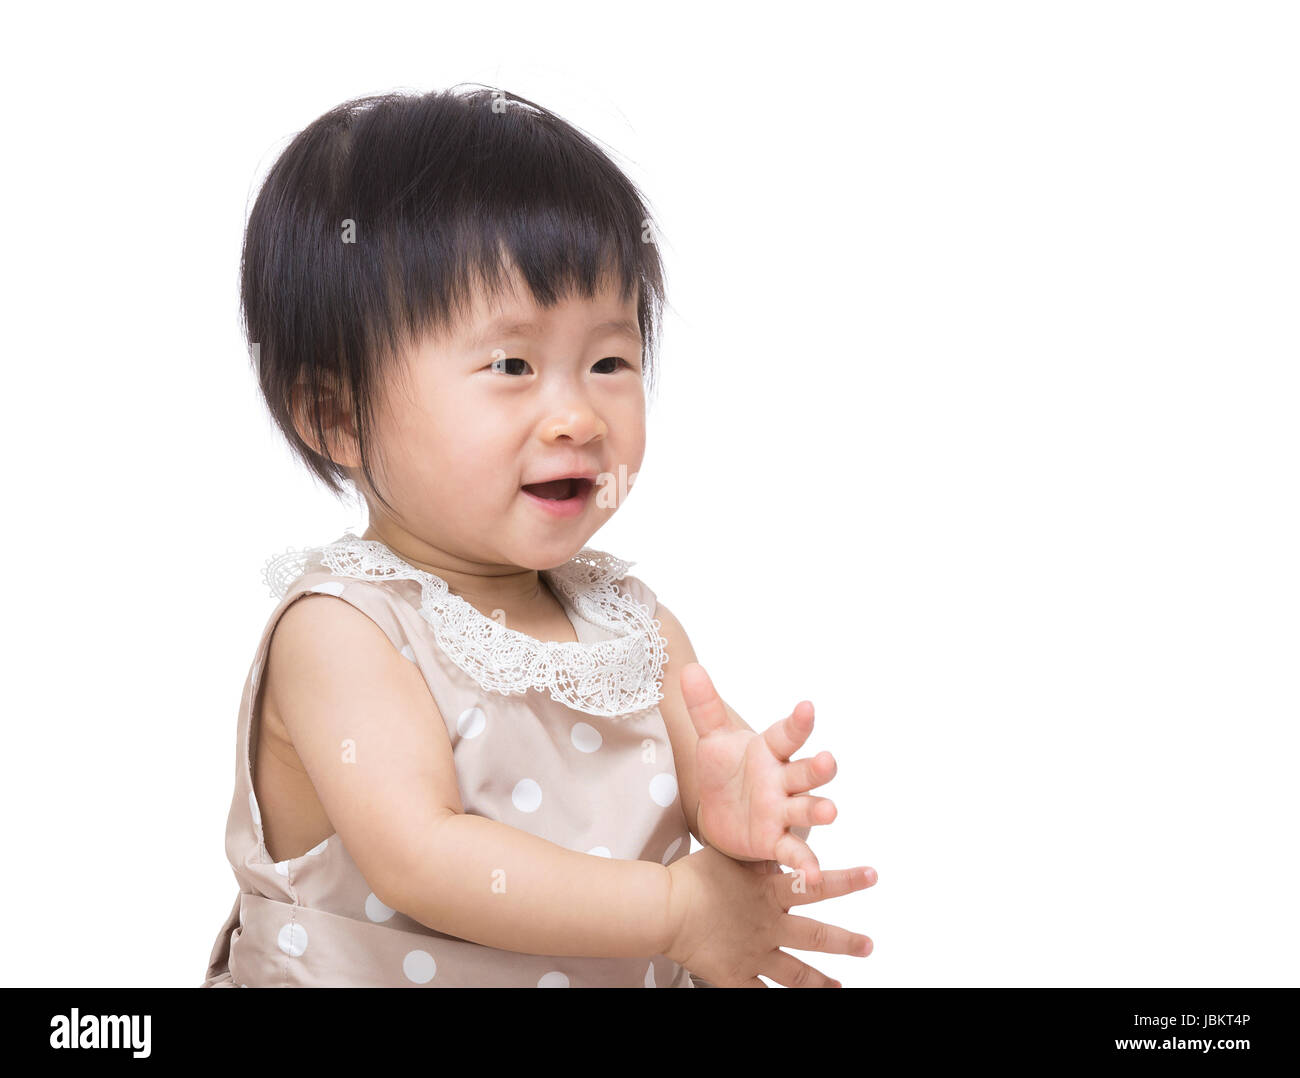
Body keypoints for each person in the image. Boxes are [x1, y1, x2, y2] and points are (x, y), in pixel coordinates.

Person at [202, 84, 877, 988]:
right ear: (337, 417)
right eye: (512, 365)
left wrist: (742, 813)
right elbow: (426, 859)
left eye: (609, 361)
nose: (576, 416)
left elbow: (711, 773)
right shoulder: (345, 631)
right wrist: (679, 909)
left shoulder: (634, 624)